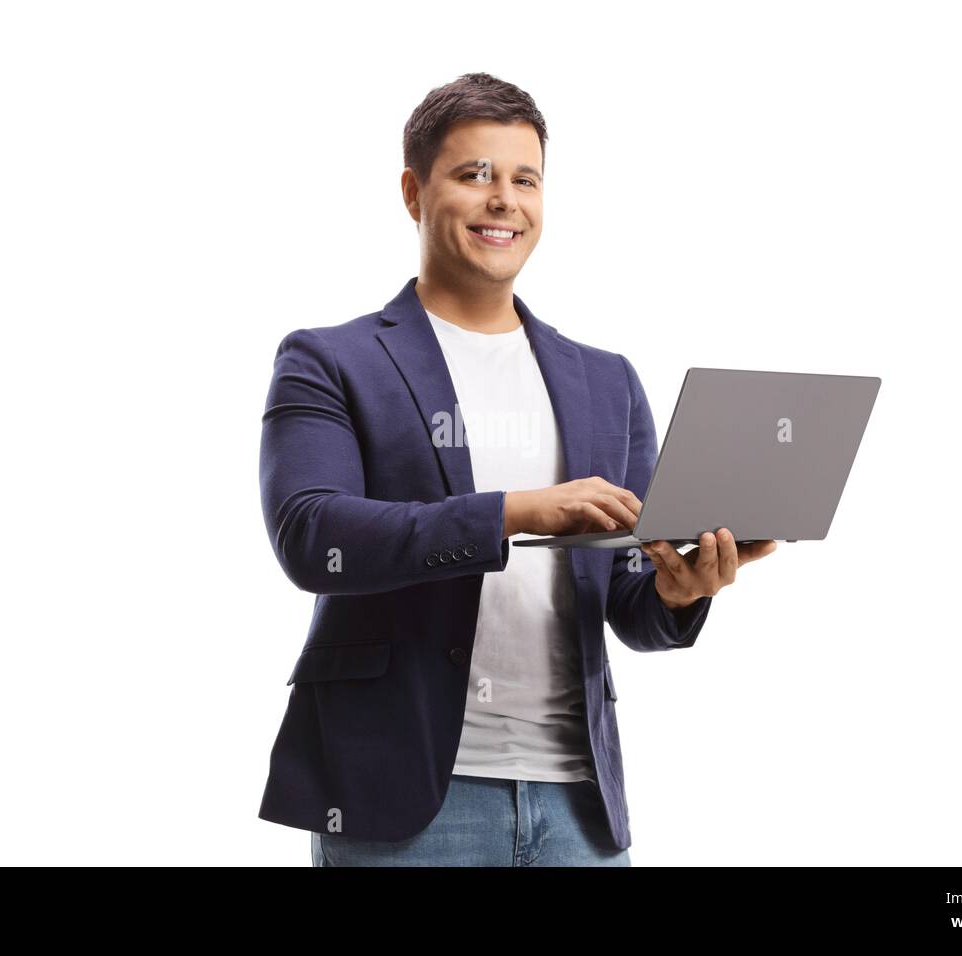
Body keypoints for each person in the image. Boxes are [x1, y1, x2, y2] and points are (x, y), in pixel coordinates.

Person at [257, 72, 777, 866]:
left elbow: (629, 598)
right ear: (413, 191)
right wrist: (515, 511)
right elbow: (312, 534)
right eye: (475, 175)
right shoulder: (330, 360)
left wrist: (678, 590)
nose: (504, 199)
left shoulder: (607, 382)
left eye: (524, 179)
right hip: (408, 806)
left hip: (578, 807)